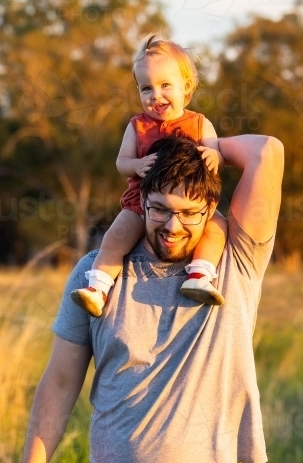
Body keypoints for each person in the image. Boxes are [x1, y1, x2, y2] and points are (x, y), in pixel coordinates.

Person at [16, 132, 284, 463]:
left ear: (211, 206)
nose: (173, 227)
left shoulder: (236, 258)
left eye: (189, 213)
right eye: (160, 209)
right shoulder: (96, 274)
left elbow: (268, 150)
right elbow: (61, 383)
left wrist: (205, 146)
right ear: (141, 200)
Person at [71, 34, 227, 317]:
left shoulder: (200, 124)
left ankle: (199, 276)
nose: (155, 95)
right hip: (140, 202)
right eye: (146, 88)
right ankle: (98, 287)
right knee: (115, 237)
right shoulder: (137, 126)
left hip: (190, 204)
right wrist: (136, 165)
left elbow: (216, 154)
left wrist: (215, 155)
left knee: (217, 228)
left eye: (165, 85)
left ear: (187, 88)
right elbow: (121, 162)